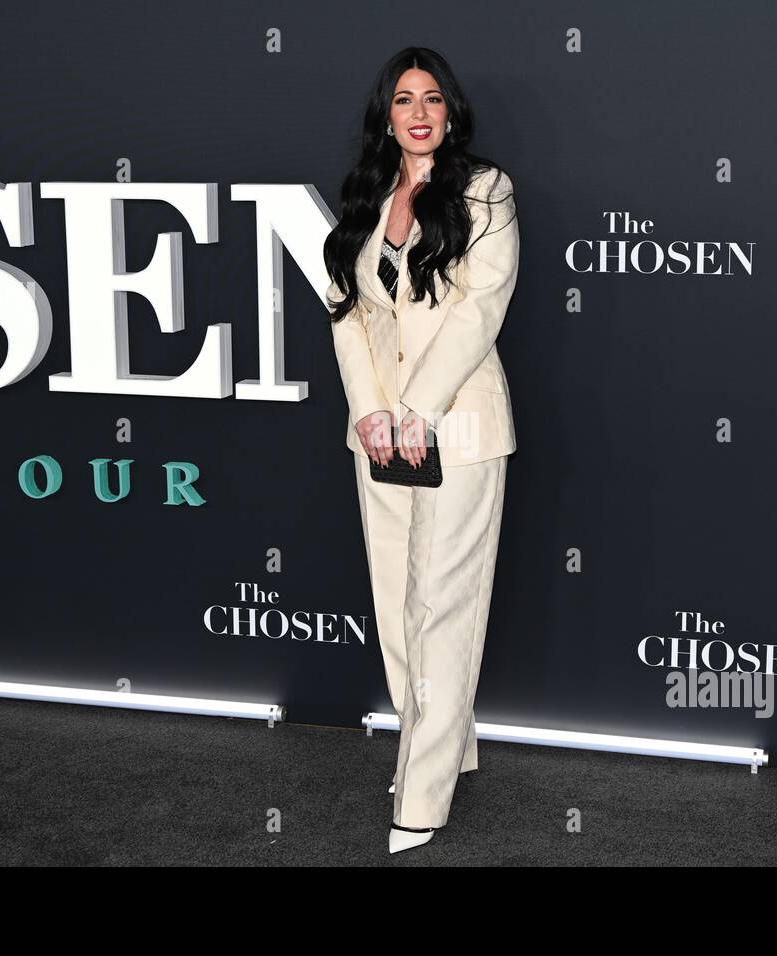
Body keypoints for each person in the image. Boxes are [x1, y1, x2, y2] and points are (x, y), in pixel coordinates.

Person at [322, 47, 519, 854]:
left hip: (458, 429)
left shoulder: (486, 190)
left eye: (433, 98)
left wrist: (417, 407)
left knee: (441, 607)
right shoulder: (368, 196)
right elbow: (350, 311)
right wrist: (371, 411)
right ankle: (443, 746)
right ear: (386, 114)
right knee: (397, 611)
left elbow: (481, 307)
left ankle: (424, 795)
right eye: (404, 99)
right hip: (380, 437)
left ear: (451, 111)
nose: (419, 111)